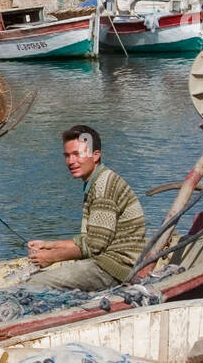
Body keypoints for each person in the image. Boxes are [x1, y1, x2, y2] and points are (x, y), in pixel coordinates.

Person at [26, 125, 145, 292]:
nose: (71, 161)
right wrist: (51, 245)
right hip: (105, 262)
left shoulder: (103, 186)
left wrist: (52, 257)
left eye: (77, 154)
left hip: (114, 269)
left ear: (95, 155)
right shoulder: (97, 180)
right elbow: (92, 240)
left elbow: (94, 246)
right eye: (67, 156)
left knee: (33, 284)